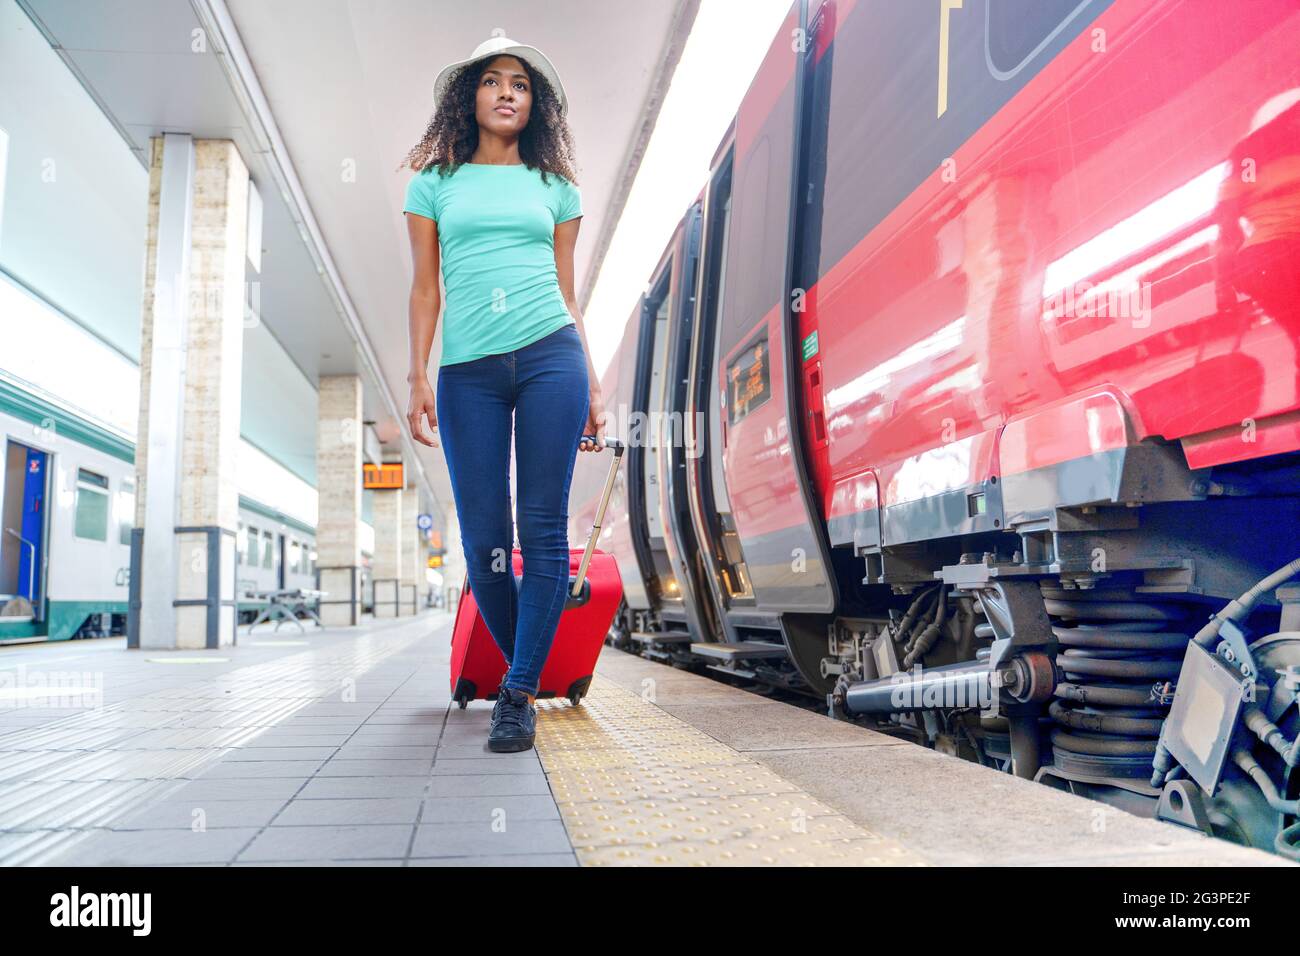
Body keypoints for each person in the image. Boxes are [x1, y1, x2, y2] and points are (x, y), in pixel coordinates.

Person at [398, 36, 606, 752]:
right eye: (493, 81)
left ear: (534, 104)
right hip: (468, 373)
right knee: (485, 538)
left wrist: (596, 383)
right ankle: (530, 664)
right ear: (471, 98)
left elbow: (570, 295)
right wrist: (417, 373)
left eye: (520, 83)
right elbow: (426, 287)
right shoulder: (434, 184)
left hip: (552, 356)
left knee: (540, 529)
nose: (507, 92)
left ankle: (517, 693)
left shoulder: (557, 189)